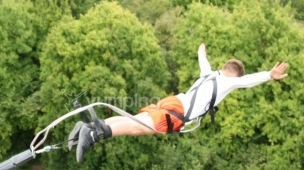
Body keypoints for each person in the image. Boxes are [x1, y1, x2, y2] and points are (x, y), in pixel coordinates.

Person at [69, 44, 289, 162]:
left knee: (135, 120)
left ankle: (88, 127)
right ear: (235, 74)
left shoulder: (209, 74)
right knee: (138, 128)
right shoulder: (227, 82)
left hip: (173, 101)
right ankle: (94, 134)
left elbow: (203, 60)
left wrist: (201, 51)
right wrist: (269, 75)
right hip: (179, 112)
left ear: (224, 67)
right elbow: (246, 81)